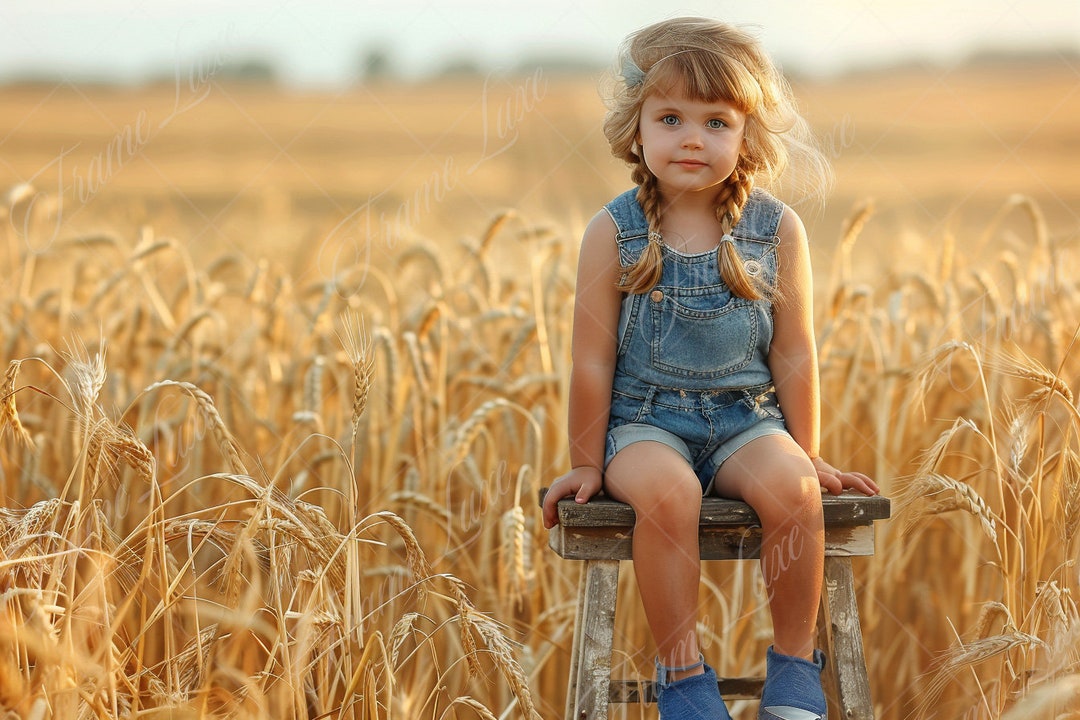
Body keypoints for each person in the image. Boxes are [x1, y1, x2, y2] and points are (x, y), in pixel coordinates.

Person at [541, 16, 879, 720]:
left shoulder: (776, 229)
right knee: (667, 498)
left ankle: (792, 664)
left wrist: (806, 453)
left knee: (794, 493)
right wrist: (584, 461)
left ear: (747, 135)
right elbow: (591, 358)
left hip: (744, 419)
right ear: (636, 129)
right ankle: (683, 673)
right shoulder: (613, 231)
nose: (692, 138)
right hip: (643, 426)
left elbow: (794, 351)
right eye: (670, 118)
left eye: (715, 122)